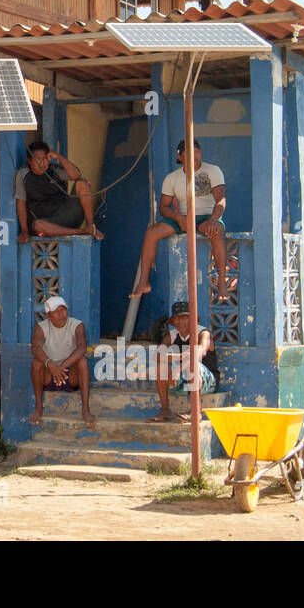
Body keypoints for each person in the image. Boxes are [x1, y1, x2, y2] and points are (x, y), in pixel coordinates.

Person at [130, 139, 231, 303]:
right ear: (180, 156)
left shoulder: (213, 170)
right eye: (189, 152)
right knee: (151, 232)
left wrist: (214, 220)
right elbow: (164, 207)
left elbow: (221, 200)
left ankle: (221, 281)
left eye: (197, 151)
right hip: (183, 217)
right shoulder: (172, 178)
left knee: (216, 231)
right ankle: (144, 281)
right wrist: (178, 217)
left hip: (207, 217)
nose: (195, 155)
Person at [15, 141, 104, 243]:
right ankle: (82, 232)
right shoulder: (22, 175)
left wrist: (59, 157)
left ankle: (90, 227)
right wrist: (24, 231)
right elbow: (21, 203)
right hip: (52, 224)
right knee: (37, 225)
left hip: (69, 214)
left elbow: (76, 175)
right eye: (38, 159)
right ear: (29, 161)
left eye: (45, 159)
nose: (42, 163)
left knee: (82, 183)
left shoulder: (54, 170)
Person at [150, 301, 219, 423]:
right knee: (161, 367)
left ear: (192, 319)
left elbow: (200, 353)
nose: (181, 321)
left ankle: (196, 412)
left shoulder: (203, 333)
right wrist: (181, 356)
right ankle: (165, 410)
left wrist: (178, 369)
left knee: (192, 365)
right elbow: (157, 356)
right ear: (174, 322)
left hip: (207, 382)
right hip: (182, 381)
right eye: (177, 318)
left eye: (185, 317)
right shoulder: (172, 335)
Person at [30, 296, 94, 427]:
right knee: (37, 363)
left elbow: (82, 348)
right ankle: (38, 407)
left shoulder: (77, 325)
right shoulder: (41, 327)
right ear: (48, 315)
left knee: (82, 361)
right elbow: (36, 349)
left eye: (63, 310)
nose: (61, 315)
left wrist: (61, 367)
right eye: (56, 312)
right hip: (49, 374)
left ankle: (85, 409)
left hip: (68, 374)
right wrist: (51, 365)